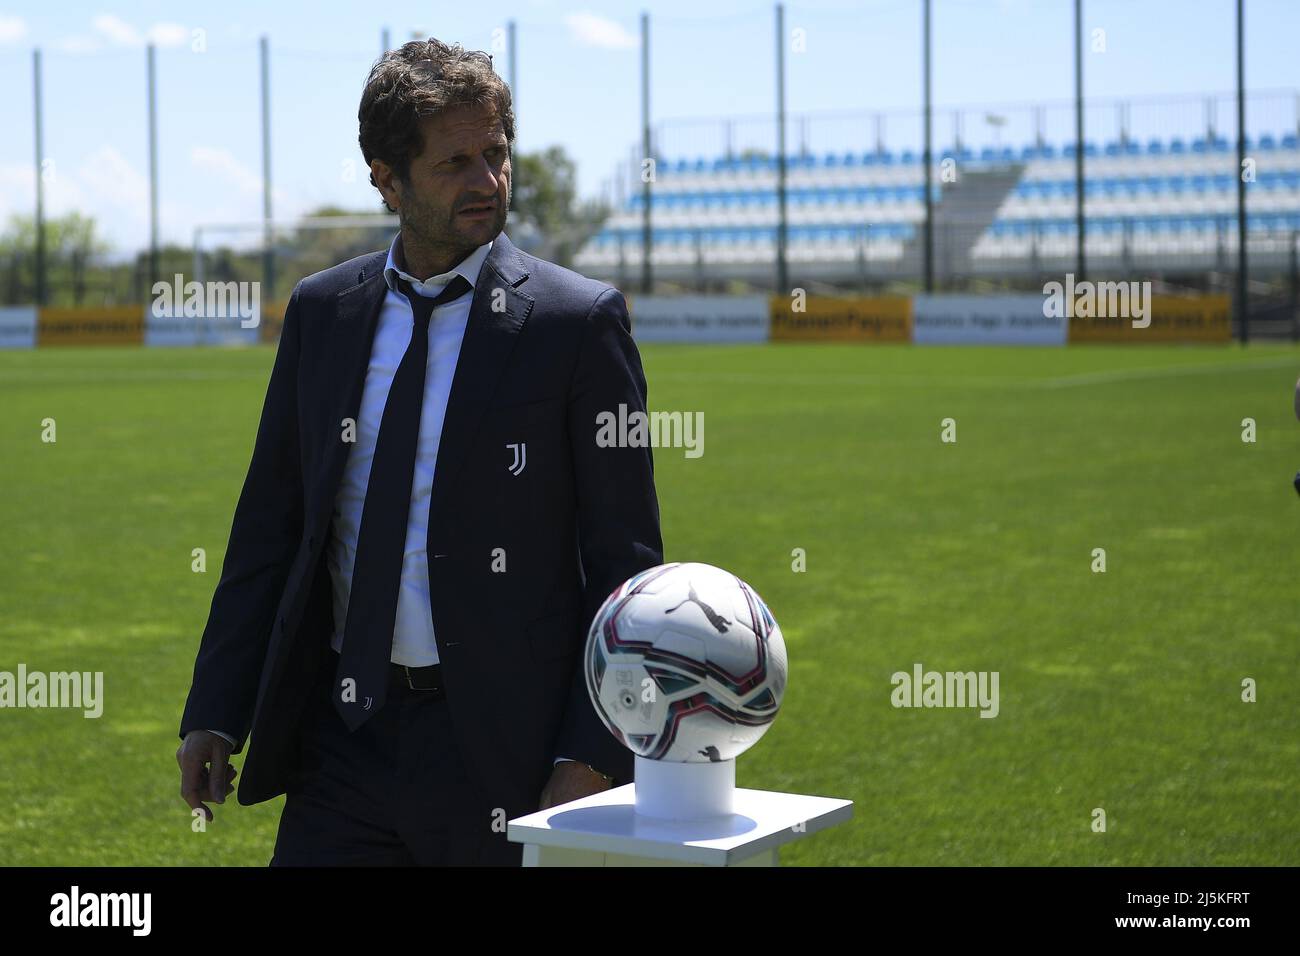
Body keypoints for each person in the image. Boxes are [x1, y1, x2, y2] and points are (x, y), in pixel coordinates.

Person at [175, 37, 663, 865]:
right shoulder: (324, 314)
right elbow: (270, 524)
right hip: (341, 737)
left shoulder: (576, 325)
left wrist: (591, 752)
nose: (487, 182)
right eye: (455, 163)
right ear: (386, 179)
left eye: (497, 154)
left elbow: (625, 565)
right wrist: (216, 709)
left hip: (500, 754)